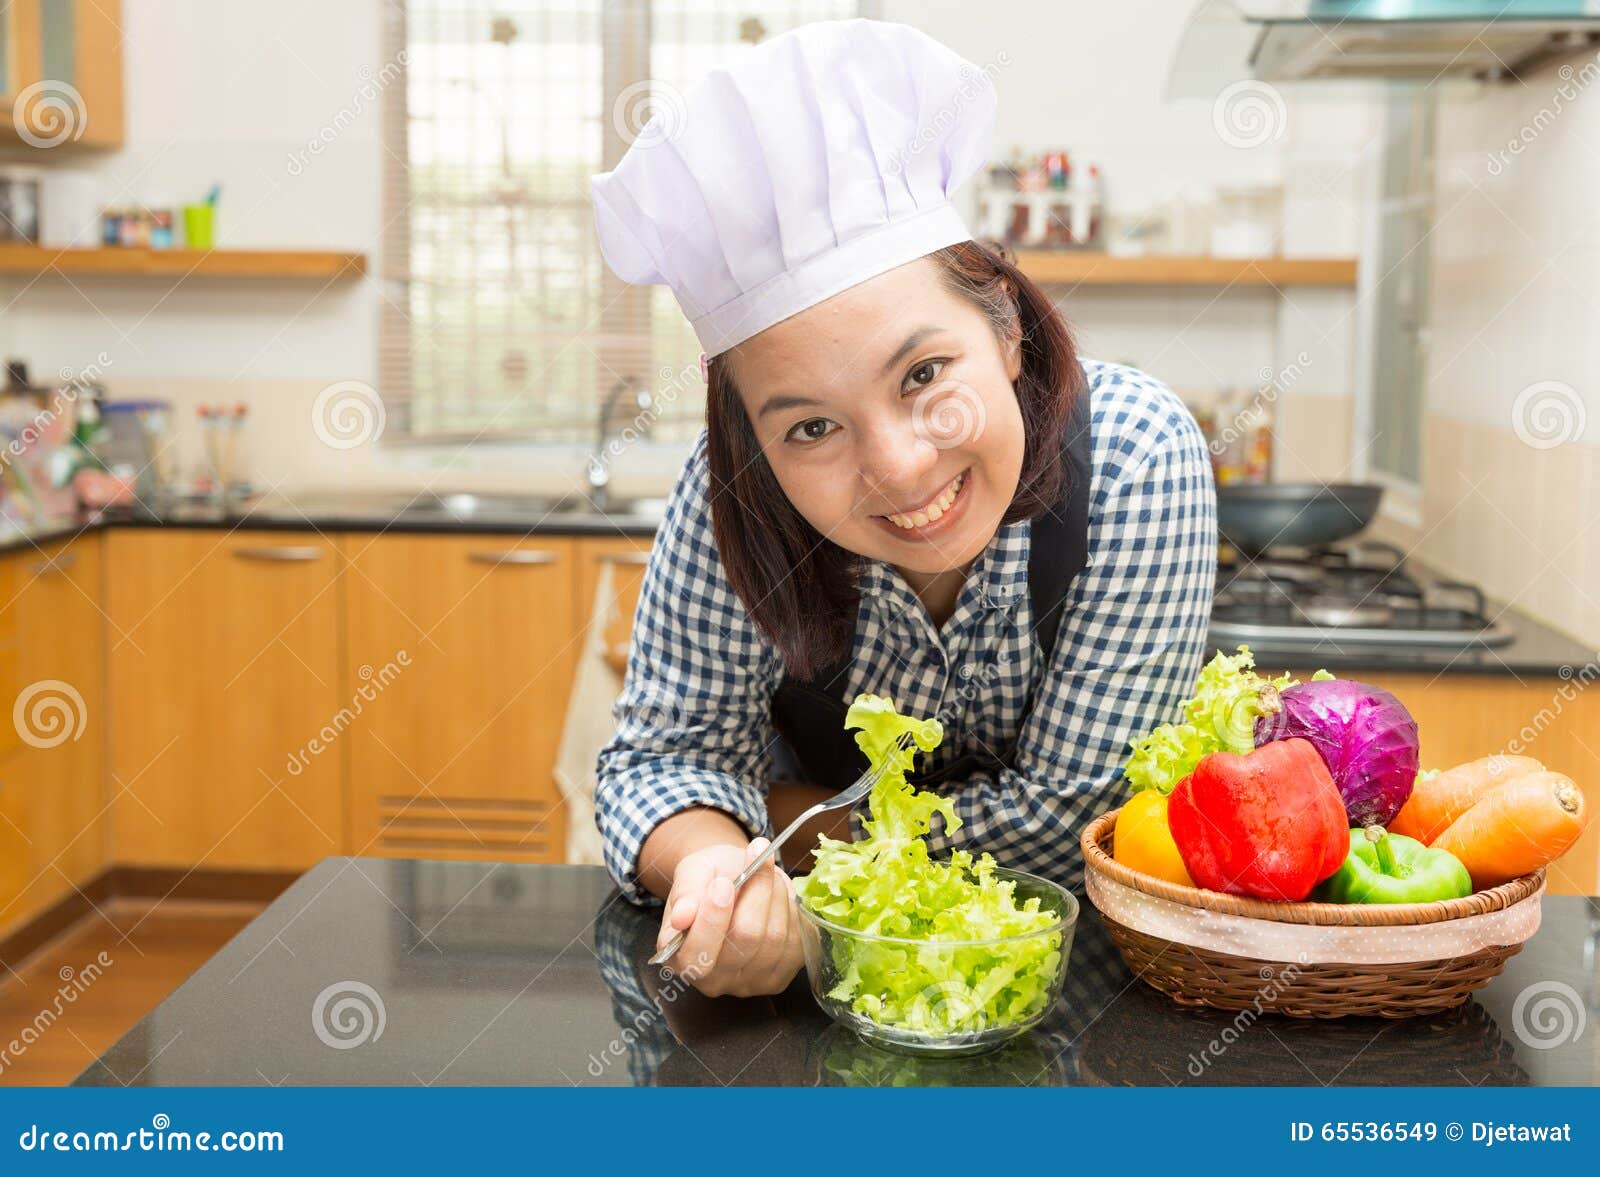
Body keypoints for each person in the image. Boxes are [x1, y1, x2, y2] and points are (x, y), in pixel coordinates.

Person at [589, 18, 1216, 998]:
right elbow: (657, 764)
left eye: (923, 373)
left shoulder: (1137, 453)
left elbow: (1074, 819)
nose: (897, 466)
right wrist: (713, 866)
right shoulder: (735, 492)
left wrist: (785, 818)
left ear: (1004, 325)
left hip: (1064, 990)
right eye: (809, 427)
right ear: (756, 438)